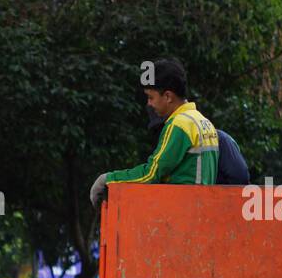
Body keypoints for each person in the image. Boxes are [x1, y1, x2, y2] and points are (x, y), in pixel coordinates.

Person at [90, 58, 219, 207]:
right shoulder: (203, 122)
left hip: (183, 213)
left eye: (151, 97)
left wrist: (108, 179)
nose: (149, 104)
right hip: (202, 211)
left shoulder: (179, 124)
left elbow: (151, 174)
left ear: (168, 97)